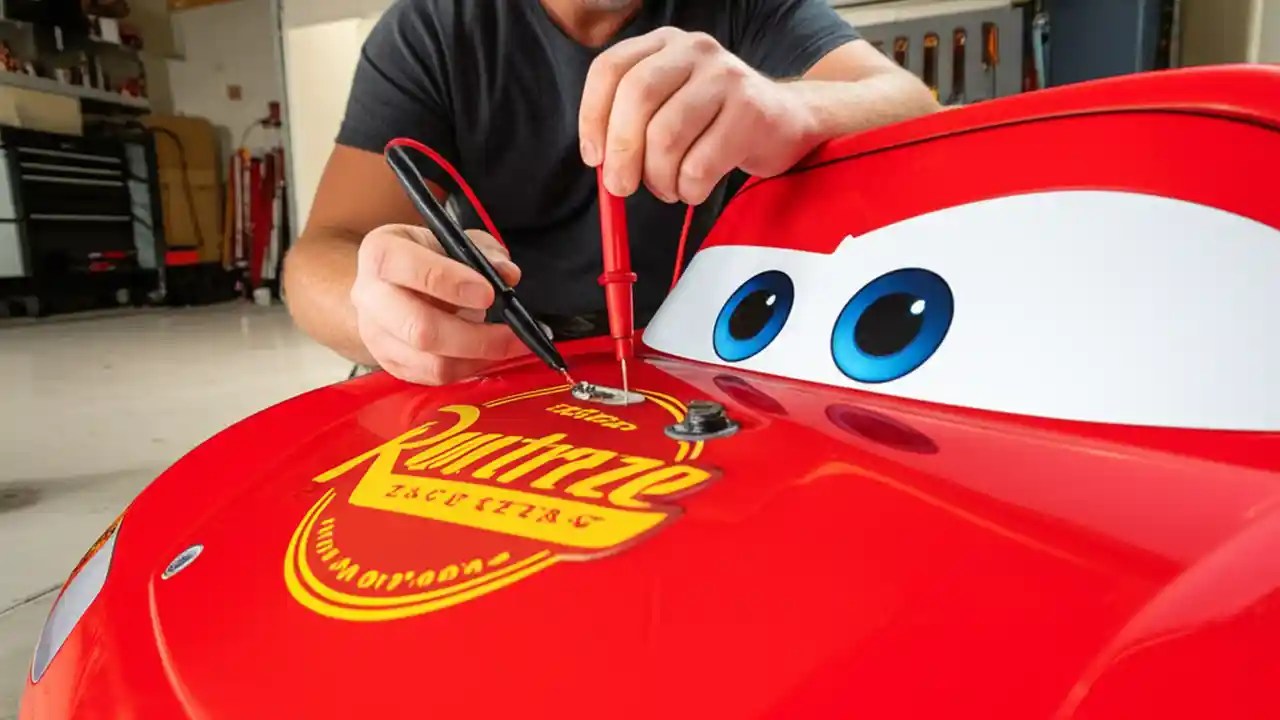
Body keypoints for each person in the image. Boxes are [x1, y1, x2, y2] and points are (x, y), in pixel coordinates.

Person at [283, 0, 938, 385]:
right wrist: (378, 309)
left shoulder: (748, 8)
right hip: (495, 366)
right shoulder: (433, 28)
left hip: (698, 362)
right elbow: (320, 254)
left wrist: (790, 109)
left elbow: (912, 106)